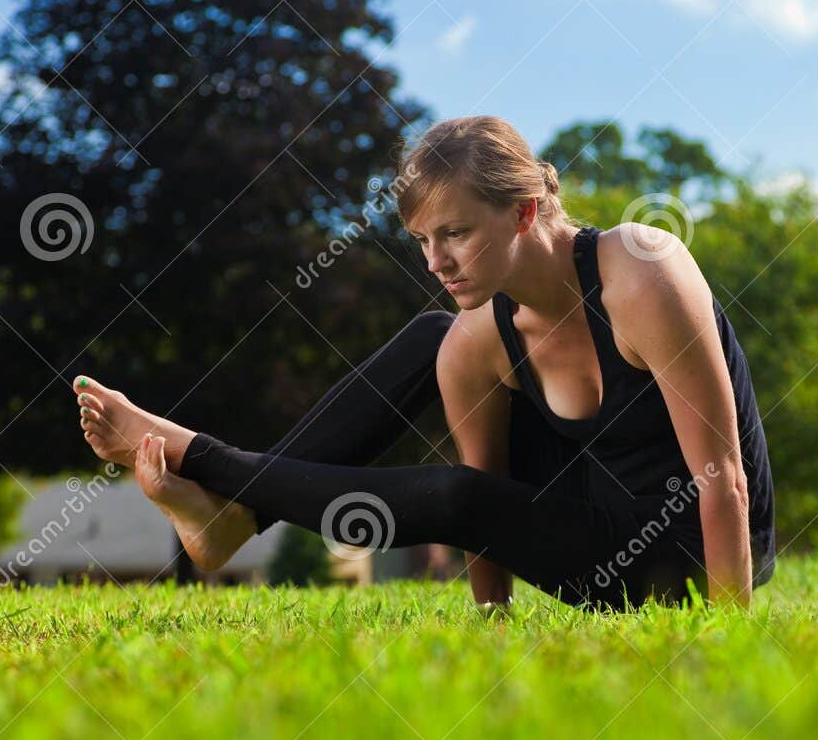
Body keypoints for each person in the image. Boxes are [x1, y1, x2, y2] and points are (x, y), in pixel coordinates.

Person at [74, 116, 774, 611]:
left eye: (457, 233)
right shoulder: (480, 340)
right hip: (591, 540)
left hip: (694, 555)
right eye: (422, 239)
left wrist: (724, 637)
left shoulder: (640, 273)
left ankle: (208, 462)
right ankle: (232, 518)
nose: (436, 260)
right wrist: (492, 624)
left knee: (452, 492)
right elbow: (491, 504)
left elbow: (726, 479)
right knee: (433, 338)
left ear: (526, 212)